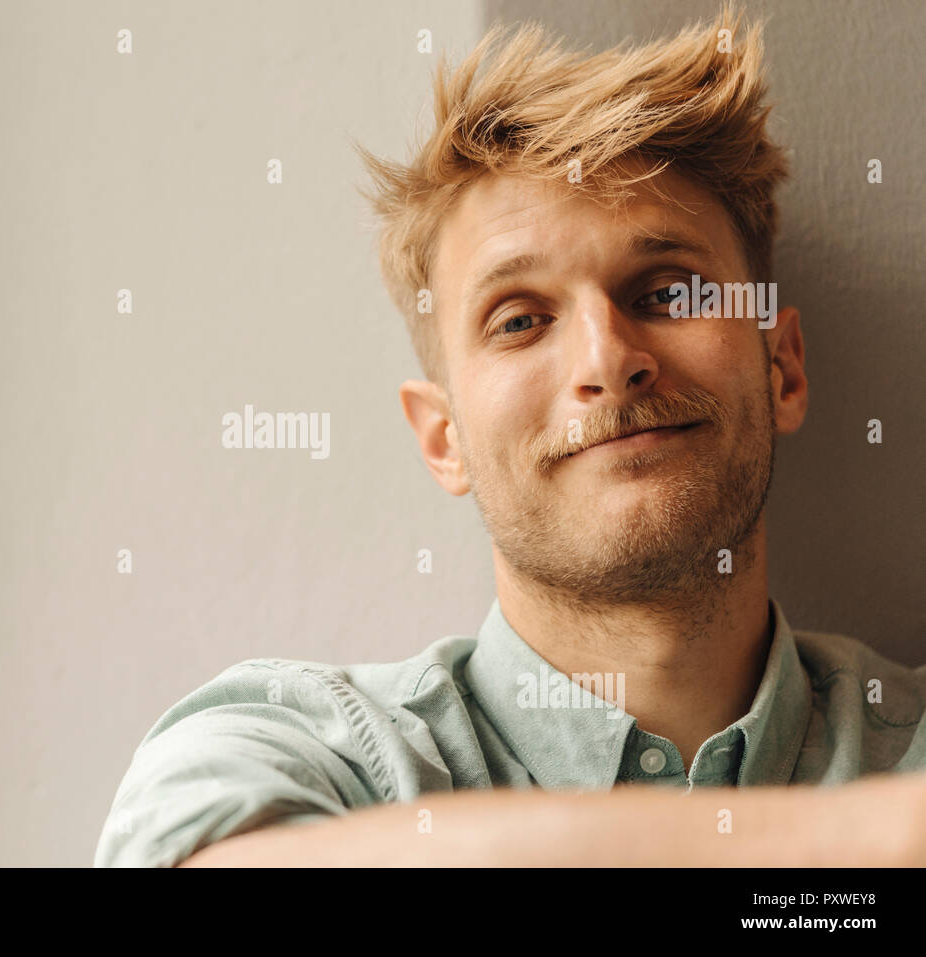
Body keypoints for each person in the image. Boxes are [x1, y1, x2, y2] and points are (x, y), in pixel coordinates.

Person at [94, 4, 926, 867]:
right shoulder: (310, 750)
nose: (608, 361)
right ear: (443, 436)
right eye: (521, 319)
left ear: (782, 367)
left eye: (669, 292)